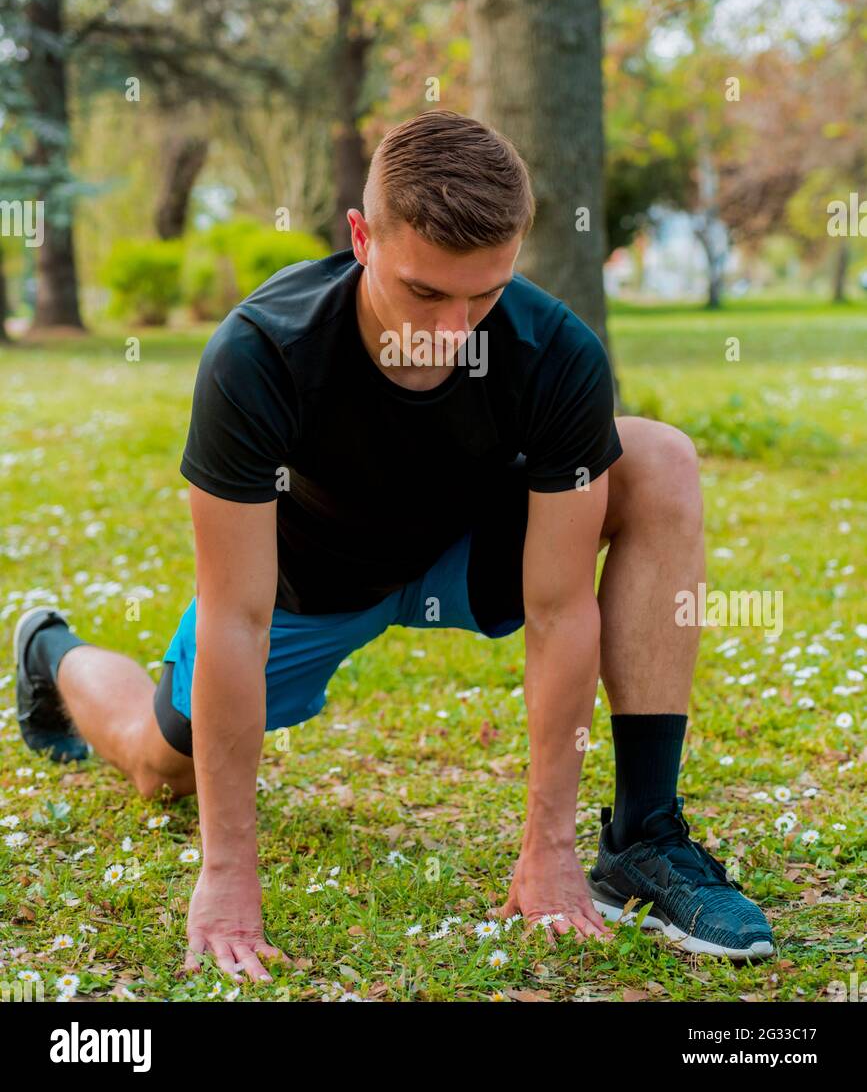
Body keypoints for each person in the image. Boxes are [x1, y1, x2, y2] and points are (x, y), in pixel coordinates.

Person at [15, 109, 773, 983]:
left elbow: (561, 609)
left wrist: (548, 845)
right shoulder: (259, 355)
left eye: (483, 294)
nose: (454, 330)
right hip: (310, 582)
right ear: (361, 236)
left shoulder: (555, 351)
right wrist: (226, 872)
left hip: (469, 553)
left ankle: (641, 836)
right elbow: (235, 616)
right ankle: (52, 653)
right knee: (158, 765)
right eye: (424, 292)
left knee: (658, 458)